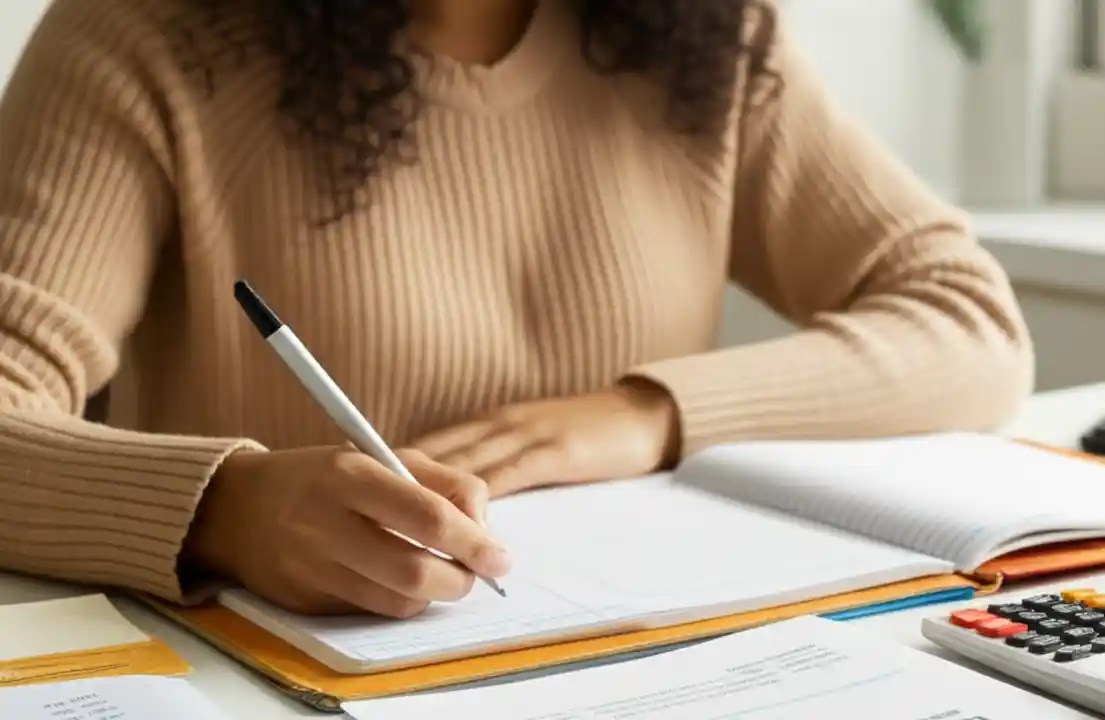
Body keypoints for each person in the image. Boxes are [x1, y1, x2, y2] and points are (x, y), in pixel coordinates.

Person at [0, 0, 1033, 619]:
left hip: (649, 669)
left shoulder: (709, 38)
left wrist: (641, 414)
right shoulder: (142, 38)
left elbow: (967, 323)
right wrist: (224, 509)